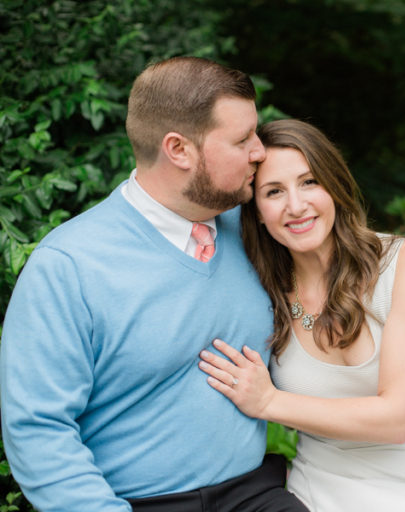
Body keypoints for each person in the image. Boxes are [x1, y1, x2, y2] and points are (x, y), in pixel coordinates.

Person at [0, 57, 309, 512]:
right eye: (242, 139)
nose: (260, 151)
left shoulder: (255, 227)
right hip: (134, 503)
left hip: (252, 494)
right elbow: (37, 429)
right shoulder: (68, 267)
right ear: (179, 150)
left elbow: (337, 274)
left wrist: (393, 354)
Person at [197, 119, 405, 511]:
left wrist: (269, 402)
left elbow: (397, 420)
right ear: (256, 211)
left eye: (309, 182)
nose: (296, 205)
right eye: (274, 191)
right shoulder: (258, 290)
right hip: (323, 493)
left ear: (335, 185)